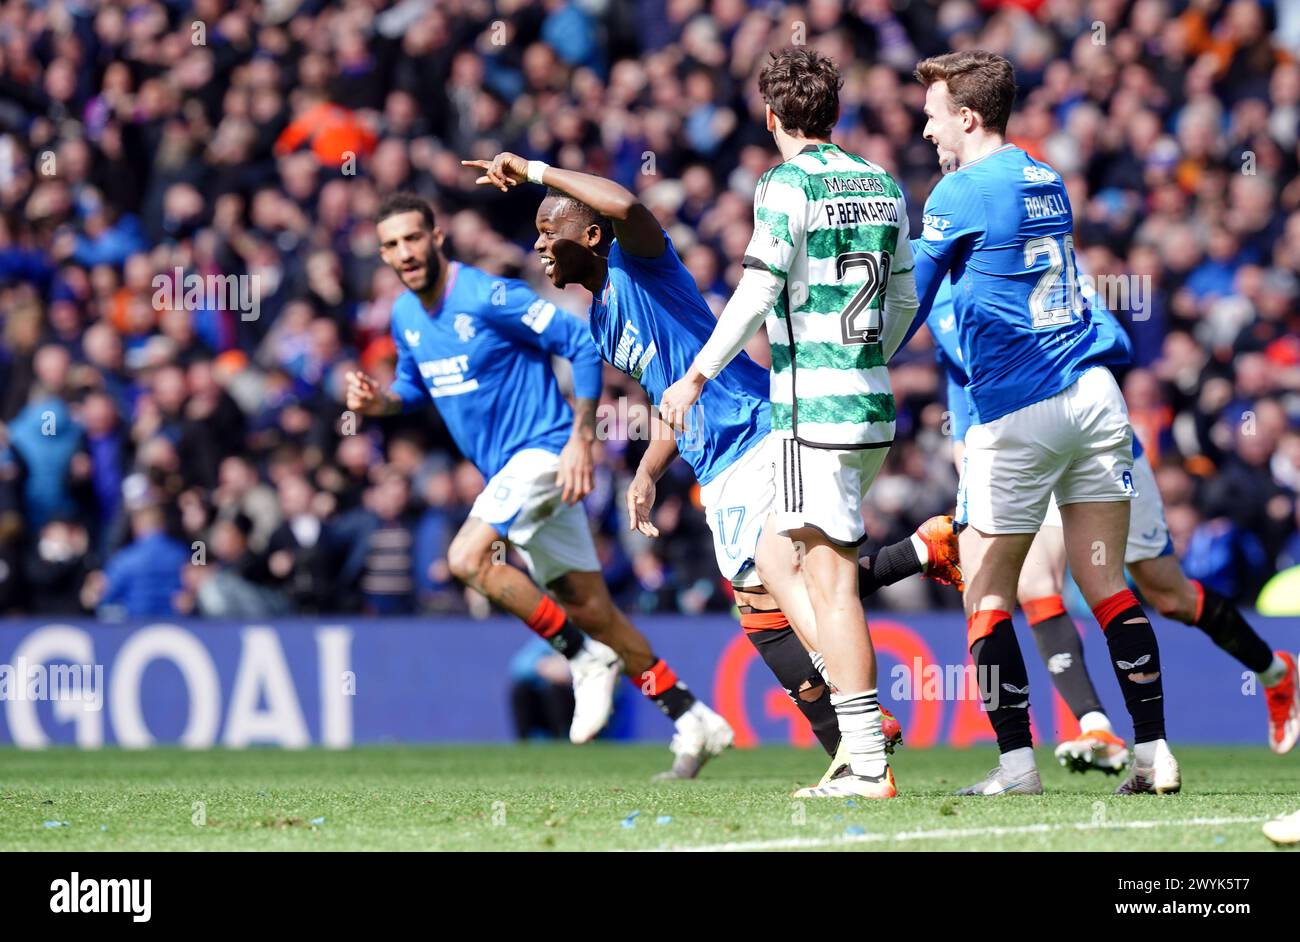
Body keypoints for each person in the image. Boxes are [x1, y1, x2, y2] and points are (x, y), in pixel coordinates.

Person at [463, 146, 961, 785]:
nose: (538, 247)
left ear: (590, 236)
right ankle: (915, 571)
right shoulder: (601, 322)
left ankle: (856, 734)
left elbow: (628, 205)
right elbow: (669, 395)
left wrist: (535, 171)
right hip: (714, 458)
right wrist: (647, 470)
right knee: (769, 603)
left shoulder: (643, 265)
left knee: (776, 588)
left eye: (546, 232)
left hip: (753, 429)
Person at [344, 192, 732, 777]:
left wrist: (580, 438)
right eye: (392, 244)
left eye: (413, 238)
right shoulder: (405, 317)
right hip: (513, 475)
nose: (405, 252)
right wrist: (383, 403)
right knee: (596, 612)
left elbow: (576, 343)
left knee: (467, 559)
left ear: (437, 237)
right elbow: (412, 384)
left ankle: (578, 656)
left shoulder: (488, 295)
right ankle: (690, 716)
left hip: (547, 453)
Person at [908, 50, 1177, 795]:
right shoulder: (1045, 175)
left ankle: (1017, 766)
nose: (926, 131)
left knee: (987, 595)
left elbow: (909, 302)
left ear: (966, 116)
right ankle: (1154, 754)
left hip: (1018, 409)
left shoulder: (956, 191)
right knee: (1105, 583)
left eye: (932, 116)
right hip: (1093, 395)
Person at [654, 48, 920, 798]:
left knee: (829, 584)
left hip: (811, 412)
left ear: (771, 116)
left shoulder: (782, 184)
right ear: (835, 114)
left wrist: (698, 373)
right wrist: (865, 355)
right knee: (774, 558)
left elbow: (757, 290)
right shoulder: (880, 182)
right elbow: (903, 299)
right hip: (870, 403)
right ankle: (856, 720)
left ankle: (865, 754)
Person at [928, 275, 1300, 765]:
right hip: (1019, 448)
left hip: (1089, 438)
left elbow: (1116, 341)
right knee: (1035, 584)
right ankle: (1096, 727)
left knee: (1169, 594)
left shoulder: (1042, 259)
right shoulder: (934, 288)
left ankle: (1275, 673)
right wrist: (967, 467)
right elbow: (960, 376)